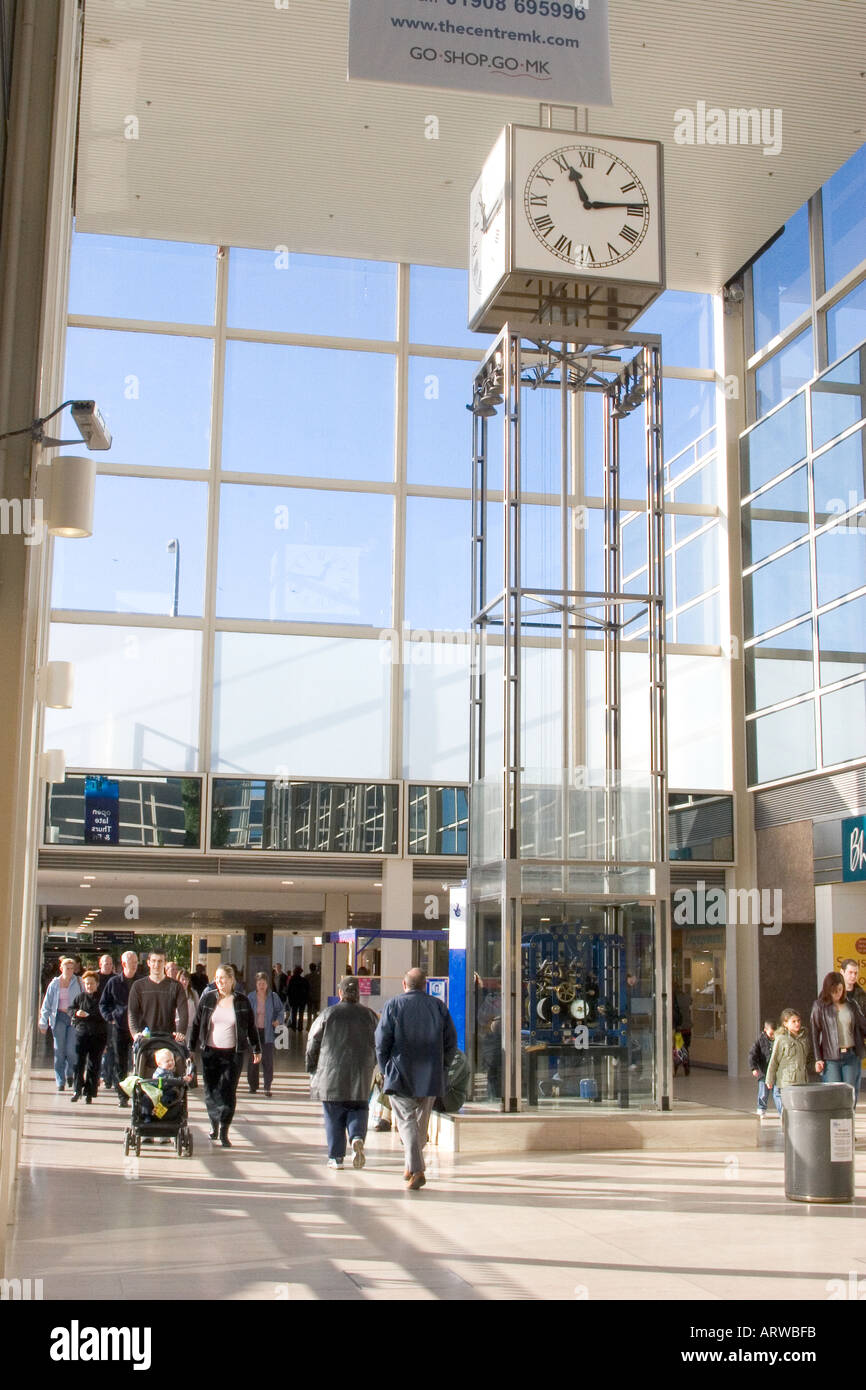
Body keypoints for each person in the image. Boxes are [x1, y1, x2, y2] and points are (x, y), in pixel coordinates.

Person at [375, 967, 458, 1190]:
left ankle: (418, 1170)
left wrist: (385, 1069)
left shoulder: (393, 1005)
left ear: (404, 985)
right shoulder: (439, 1006)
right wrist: (443, 1065)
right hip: (431, 1074)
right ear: (425, 986)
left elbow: (381, 1042)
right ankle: (410, 1165)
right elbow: (451, 1041)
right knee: (420, 1123)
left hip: (401, 1073)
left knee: (406, 1122)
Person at [305, 976, 378, 1169]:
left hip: (331, 1074)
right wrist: (373, 1064)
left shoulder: (328, 1014)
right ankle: (356, 1136)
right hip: (361, 1073)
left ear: (340, 993)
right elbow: (379, 1043)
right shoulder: (370, 1016)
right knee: (359, 1107)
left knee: (333, 1113)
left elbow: (313, 1041)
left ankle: (336, 1157)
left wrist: (311, 1066)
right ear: (358, 995)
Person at [190, 964, 261, 1147]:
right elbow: (197, 1024)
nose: (219, 981)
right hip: (210, 1052)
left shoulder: (242, 1002)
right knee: (211, 1090)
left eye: (223, 978)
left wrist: (256, 1048)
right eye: (217, 977)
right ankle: (214, 1124)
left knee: (228, 1091)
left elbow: (250, 1027)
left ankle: (224, 1129)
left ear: (231, 980)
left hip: (233, 1054)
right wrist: (191, 1048)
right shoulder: (207, 999)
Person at [811, 971, 866, 1102]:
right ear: (827, 990)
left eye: (840, 989)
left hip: (851, 1055)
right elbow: (814, 1033)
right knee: (833, 1095)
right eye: (834, 991)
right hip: (830, 1059)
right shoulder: (819, 1006)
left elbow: (863, 1026)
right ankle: (835, 1122)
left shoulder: (851, 1005)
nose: (837, 994)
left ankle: (848, 1122)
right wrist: (818, 1058)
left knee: (850, 1095)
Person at [99, 950, 139, 1107]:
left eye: (136, 962)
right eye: (132, 963)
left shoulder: (141, 982)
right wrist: (111, 1017)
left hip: (137, 1029)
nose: (135, 966)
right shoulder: (114, 983)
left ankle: (138, 1093)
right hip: (120, 1027)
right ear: (124, 964)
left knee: (138, 1062)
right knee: (120, 1062)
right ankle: (122, 1095)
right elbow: (103, 1004)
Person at [38, 957, 82, 1093]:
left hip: (73, 1018)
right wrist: (43, 1022)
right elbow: (47, 1004)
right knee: (59, 1050)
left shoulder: (78, 982)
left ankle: (70, 1073)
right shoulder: (55, 984)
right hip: (59, 1018)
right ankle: (60, 1080)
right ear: (61, 969)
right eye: (67, 968)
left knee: (71, 1051)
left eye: (71, 968)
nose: (69, 971)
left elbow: (85, 1000)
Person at [127, 950, 188, 1043]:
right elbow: (132, 1013)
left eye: (160, 961)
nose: (157, 964)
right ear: (148, 963)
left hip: (169, 1039)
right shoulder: (138, 986)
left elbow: (184, 1012)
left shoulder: (176, 986)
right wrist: (135, 1033)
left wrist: (181, 1031)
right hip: (145, 1039)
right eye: (154, 961)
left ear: (165, 963)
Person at [68, 972, 109, 1103]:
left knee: (94, 1064)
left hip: (98, 1034)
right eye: (86, 983)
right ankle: (77, 1089)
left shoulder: (102, 998)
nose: (89, 986)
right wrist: (76, 1012)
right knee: (79, 1063)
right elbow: (70, 1009)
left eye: (91, 983)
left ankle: (90, 1092)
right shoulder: (80, 997)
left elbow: (103, 1014)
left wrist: (88, 1015)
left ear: (97, 984)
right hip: (82, 1033)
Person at [246, 971, 285, 1096]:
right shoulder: (251, 997)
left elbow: (281, 1011)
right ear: (256, 985)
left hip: (268, 1032)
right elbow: (245, 1013)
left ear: (267, 984)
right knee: (253, 1060)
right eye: (259, 983)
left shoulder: (273, 997)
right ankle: (253, 1085)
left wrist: (278, 1021)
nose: (261, 986)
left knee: (267, 1061)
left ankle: (267, 1086)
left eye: (263, 983)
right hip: (254, 1033)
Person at [766, 1009, 810, 1110]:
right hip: (786, 1082)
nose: (797, 1024)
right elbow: (774, 1060)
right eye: (793, 1021)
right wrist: (770, 1079)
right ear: (785, 1023)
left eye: (798, 1021)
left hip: (802, 1081)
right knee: (787, 1113)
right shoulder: (781, 1039)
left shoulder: (804, 1038)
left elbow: (808, 1057)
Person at [749, 1020, 776, 1116]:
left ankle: (781, 1110)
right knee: (763, 1092)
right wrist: (754, 1068)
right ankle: (761, 1108)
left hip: (775, 1071)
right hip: (763, 1071)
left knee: (777, 1092)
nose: (773, 1036)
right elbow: (752, 1054)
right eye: (771, 1034)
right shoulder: (760, 1040)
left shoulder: (777, 1040)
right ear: (765, 1030)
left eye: (774, 1034)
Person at [176, 968, 199, 1048]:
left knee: (188, 1048)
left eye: (186, 979)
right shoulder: (174, 992)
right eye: (182, 979)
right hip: (177, 1026)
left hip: (190, 1026)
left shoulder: (193, 993)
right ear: (178, 979)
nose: (184, 982)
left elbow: (198, 1008)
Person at [287, 966, 308, 1031]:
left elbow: (289, 990)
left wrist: (289, 999)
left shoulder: (292, 980)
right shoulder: (303, 980)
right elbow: (307, 990)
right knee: (301, 1014)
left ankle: (293, 1026)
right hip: (302, 1000)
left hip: (294, 1000)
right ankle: (300, 1027)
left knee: (294, 1014)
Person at [304, 962, 321, 1028]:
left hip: (309, 996)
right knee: (315, 1012)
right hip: (317, 996)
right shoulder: (319, 976)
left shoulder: (307, 977)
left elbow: (305, 987)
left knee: (309, 1011)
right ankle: (315, 1025)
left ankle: (308, 1025)